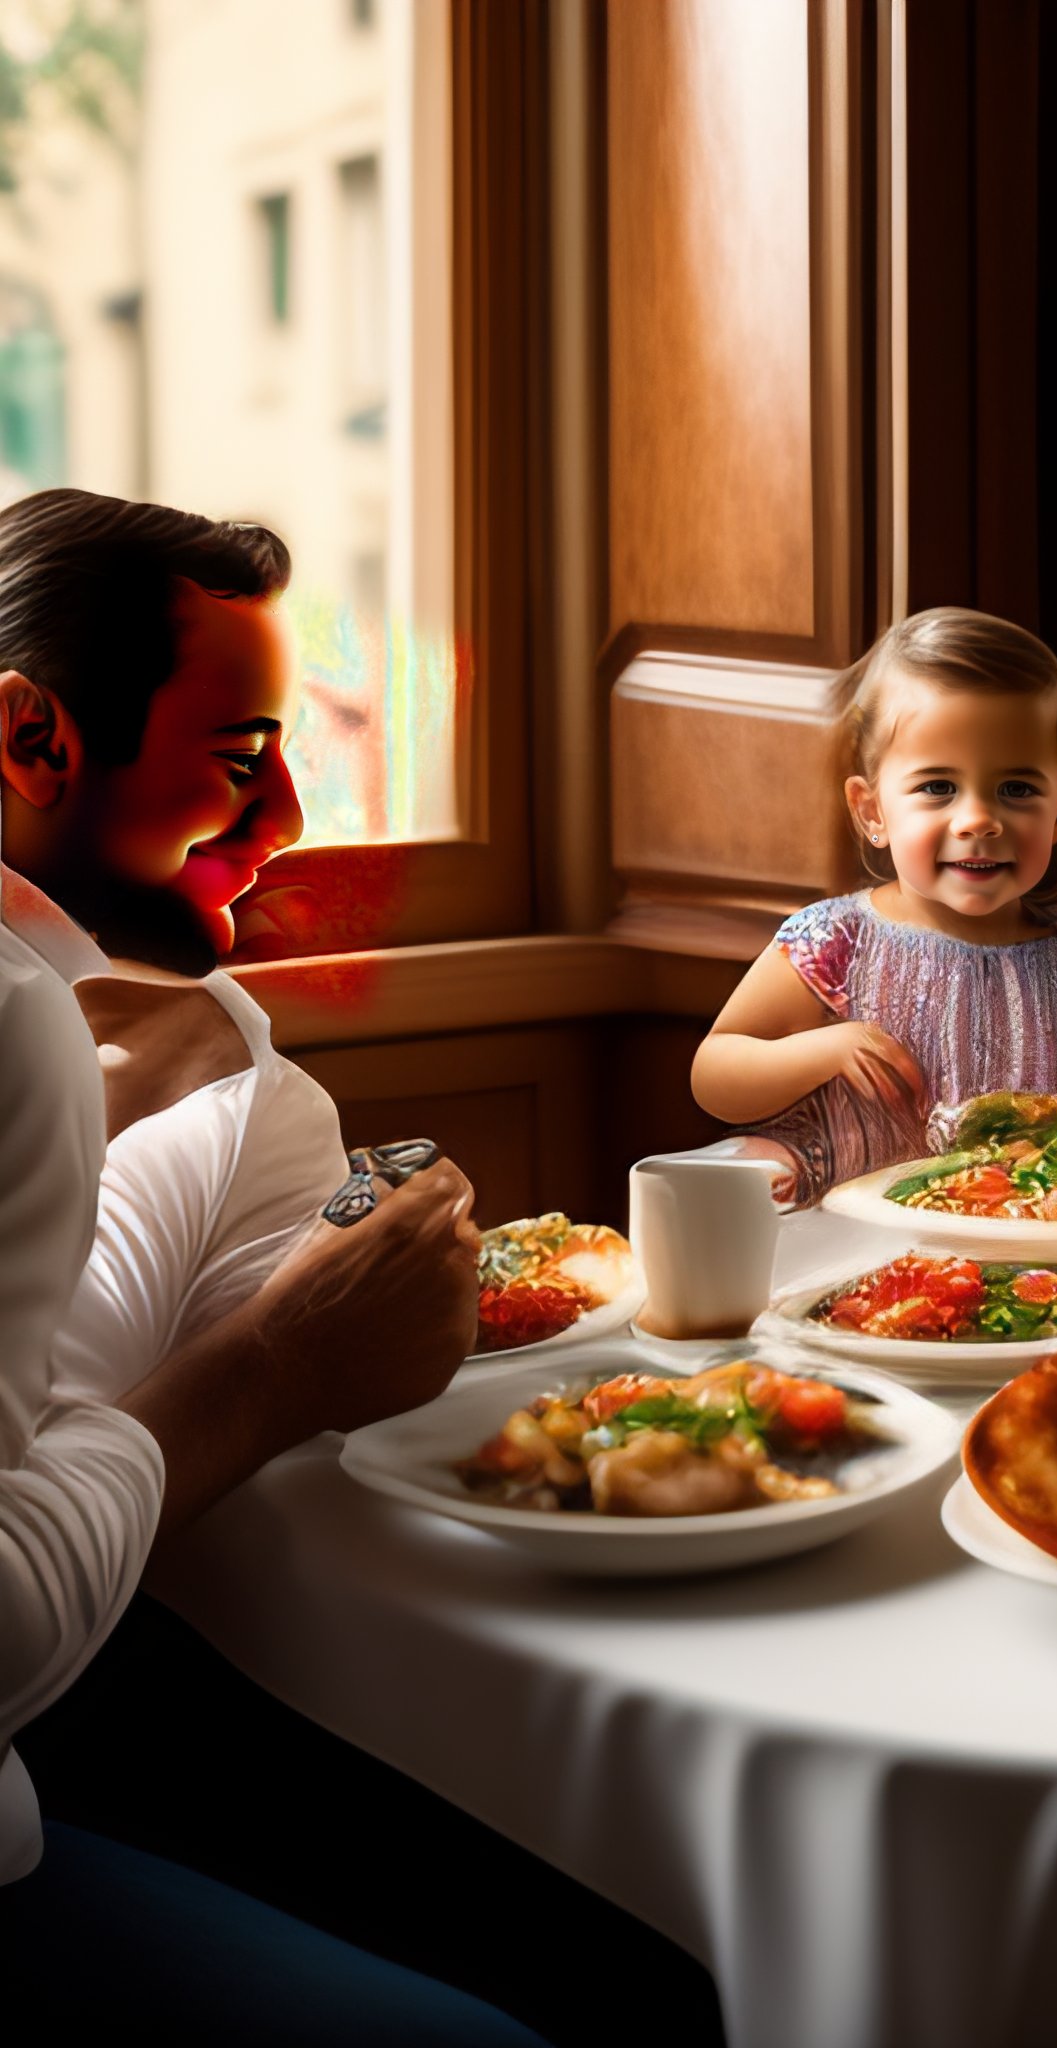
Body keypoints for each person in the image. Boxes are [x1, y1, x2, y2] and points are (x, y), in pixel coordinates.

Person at [0, 487, 540, 2043]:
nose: (289, 814)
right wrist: (278, 1364)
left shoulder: (185, 1039)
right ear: (35, 742)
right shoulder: (20, 1027)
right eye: (240, 759)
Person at [692, 606, 1057, 1205]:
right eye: (938, 787)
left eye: (1017, 789)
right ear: (872, 810)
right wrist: (826, 1049)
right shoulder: (839, 942)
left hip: (1035, 1249)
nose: (978, 819)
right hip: (859, 1255)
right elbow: (715, 1072)